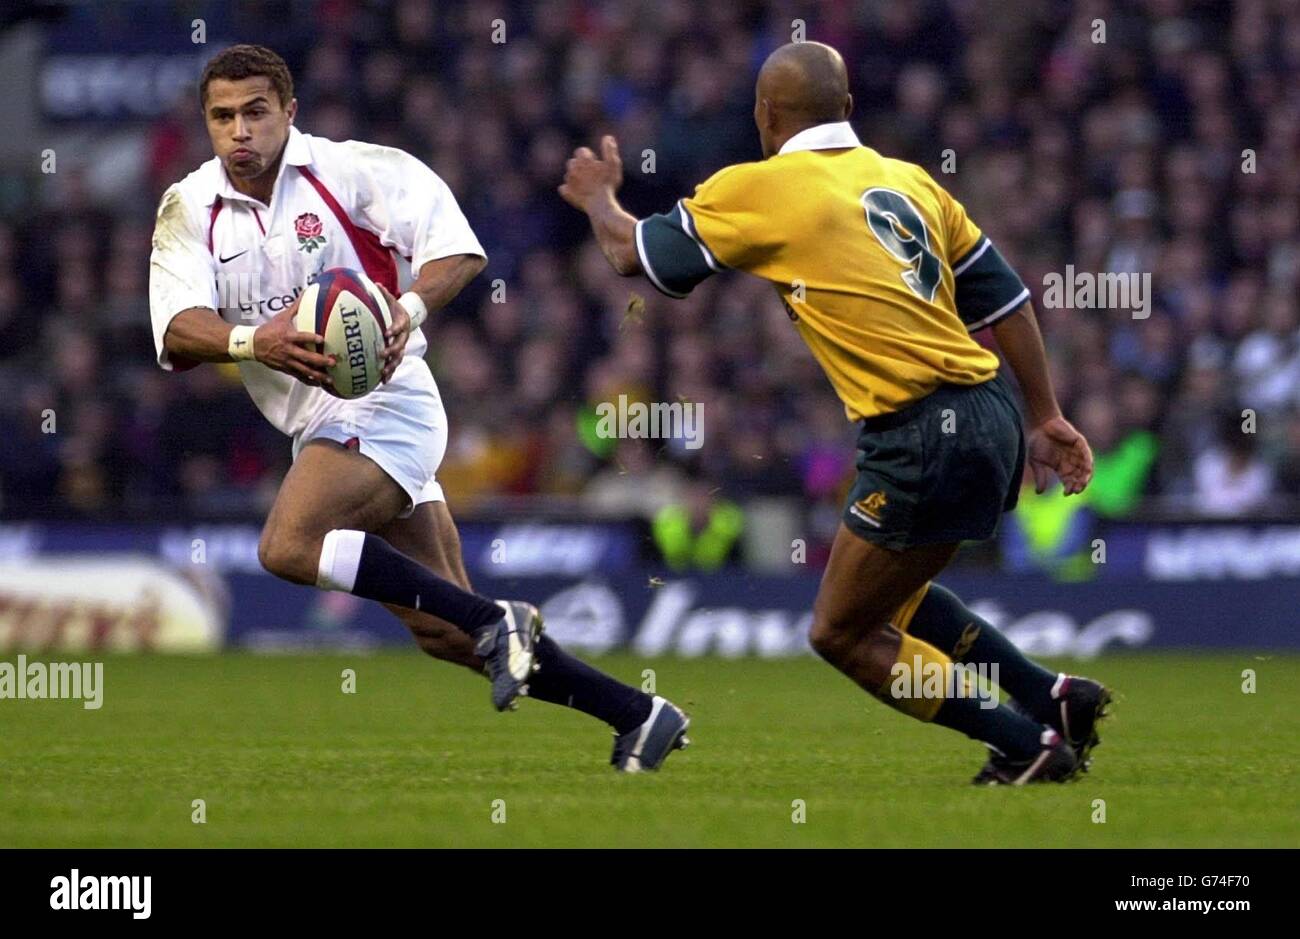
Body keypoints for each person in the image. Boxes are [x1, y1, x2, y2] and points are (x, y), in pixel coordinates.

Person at [561, 41, 1108, 785]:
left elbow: (633, 256)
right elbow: (1005, 298)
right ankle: (1053, 695)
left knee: (841, 632)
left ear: (765, 115)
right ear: (847, 110)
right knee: (897, 593)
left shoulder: (762, 186)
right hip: (993, 412)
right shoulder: (910, 180)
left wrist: (598, 196)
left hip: (917, 429)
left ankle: (1024, 743)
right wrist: (1045, 415)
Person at [149, 45, 688, 772]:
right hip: (317, 423)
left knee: (286, 545)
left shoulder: (352, 170)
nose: (239, 130)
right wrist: (253, 340)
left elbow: (457, 249)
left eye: (255, 112)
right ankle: (638, 713)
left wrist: (405, 305)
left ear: (289, 113)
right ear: (206, 123)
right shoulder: (190, 207)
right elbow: (177, 328)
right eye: (222, 117)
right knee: (448, 632)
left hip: (387, 398)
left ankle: (499, 621)